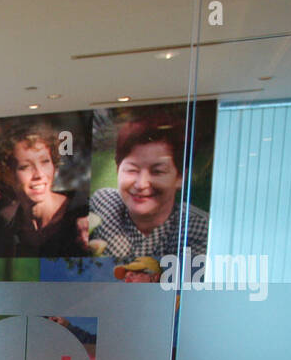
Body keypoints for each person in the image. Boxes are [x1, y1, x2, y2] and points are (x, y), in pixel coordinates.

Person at [90, 112, 209, 265]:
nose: (141, 184)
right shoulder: (103, 203)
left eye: (157, 171)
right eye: (132, 170)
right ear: (117, 169)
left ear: (180, 178)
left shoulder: (195, 228)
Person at [0, 125, 89, 258]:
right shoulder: (7, 231)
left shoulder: (84, 212)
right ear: (8, 175)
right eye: (25, 167)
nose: (39, 174)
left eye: (45, 162)